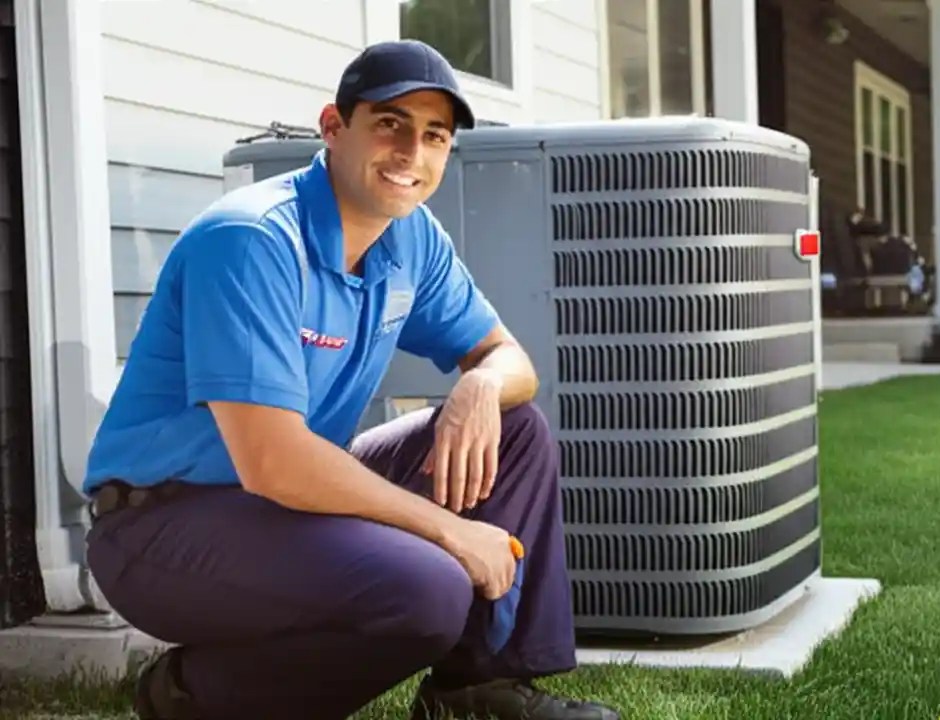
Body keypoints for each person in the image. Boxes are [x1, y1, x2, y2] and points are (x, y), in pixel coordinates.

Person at [81, 39, 620, 720]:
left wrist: (479, 386)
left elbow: (508, 359)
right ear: (334, 128)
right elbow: (275, 463)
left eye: (434, 136)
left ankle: (476, 690)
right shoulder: (252, 241)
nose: (411, 154)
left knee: (515, 431)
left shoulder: (411, 238)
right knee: (429, 589)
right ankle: (194, 693)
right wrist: (451, 533)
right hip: (161, 523)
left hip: (285, 506)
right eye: (390, 124)